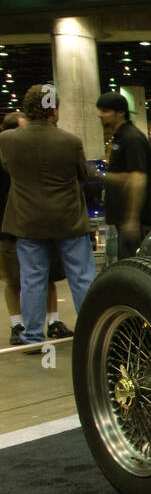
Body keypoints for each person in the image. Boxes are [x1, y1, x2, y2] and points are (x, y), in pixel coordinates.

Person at [0, 85, 96, 351]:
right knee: (82, 277)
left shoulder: (7, 140)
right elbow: (83, 175)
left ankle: (32, 338)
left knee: (32, 279)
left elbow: (9, 168)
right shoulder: (70, 141)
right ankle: (92, 332)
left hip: (28, 222)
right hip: (69, 220)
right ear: (54, 109)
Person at [1, 111, 67, 345]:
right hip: (9, 229)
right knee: (15, 280)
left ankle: (54, 322)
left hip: (39, 226)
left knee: (48, 277)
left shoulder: (33, 157)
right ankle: (18, 325)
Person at [96, 91, 151, 261]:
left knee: (135, 266)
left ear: (120, 113)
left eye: (105, 111)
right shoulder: (119, 138)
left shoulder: (132, 138)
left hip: (136, 220)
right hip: (124, 219)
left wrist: (132, 218)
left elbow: (137, 179)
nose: (99, 115)